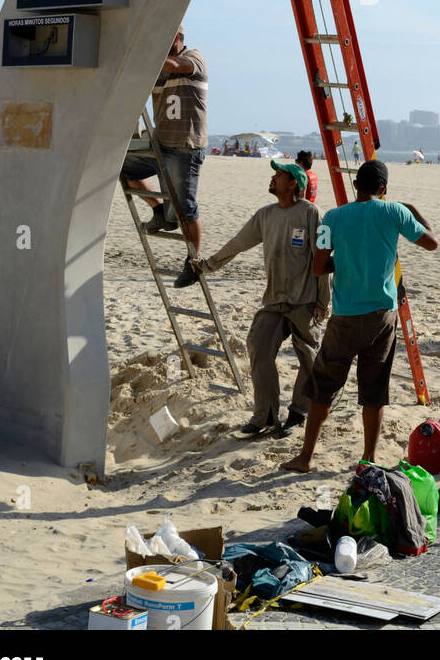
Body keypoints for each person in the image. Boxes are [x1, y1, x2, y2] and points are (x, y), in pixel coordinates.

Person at [281, 159, 438, 473]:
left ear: (355, 186)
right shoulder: (395, 212)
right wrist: (413, 208)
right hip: (382, 317)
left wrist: (347, 260)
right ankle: (368, 458)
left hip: (345, 318)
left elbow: (318, 267)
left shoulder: (333, 217)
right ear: (383, 189)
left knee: (323, 386)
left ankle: (306, 457)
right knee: (374, 389)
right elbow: (432, 242)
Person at [179, 160, 329, 436]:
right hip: (274, 301)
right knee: (259, 347)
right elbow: (238, 243)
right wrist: (207, 265)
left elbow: (322, 260)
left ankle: (298, 413)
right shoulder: (265, 215)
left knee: (309, 358)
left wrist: (323, 301)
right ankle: (266, 415)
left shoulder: (312, 214)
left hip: (305, 302)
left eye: (279, 175)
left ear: (293, 183)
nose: (273, 178)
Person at [120, 25, 207, 253]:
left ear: (177, 38)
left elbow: (177, 66)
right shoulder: (157, 67)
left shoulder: (193, 57)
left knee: (184, 210)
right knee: (121, 169)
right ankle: (158, 210)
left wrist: (144, 54)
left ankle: (193, 261)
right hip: (160, 145)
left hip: (184, 148)